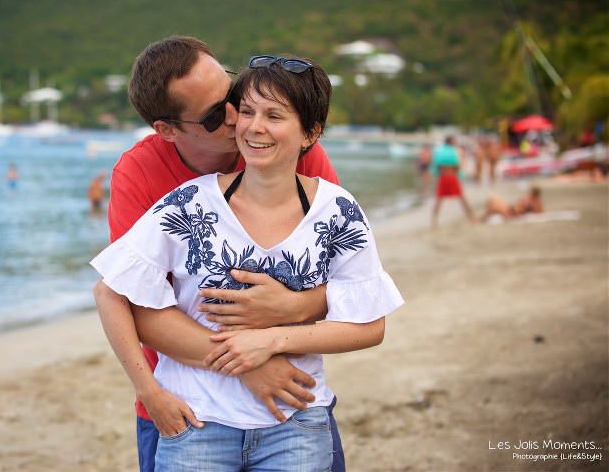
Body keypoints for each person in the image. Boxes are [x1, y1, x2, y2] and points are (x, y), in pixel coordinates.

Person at [91, 54, 403, 471]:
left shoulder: (310, 176)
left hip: (291, 409)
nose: (242, 119)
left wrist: (291, 313)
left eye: (234, 94)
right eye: (221, 113)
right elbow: (127, 298)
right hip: (190, 402)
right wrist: (242, 365)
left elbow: (348, 289)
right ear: (168, 130)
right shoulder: (155, 184)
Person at [430, 136, 477, 228]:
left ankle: (433, 221)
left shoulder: (439, 152)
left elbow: (435, 167)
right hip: (452, 177)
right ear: (451, 142)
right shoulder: (454, 152)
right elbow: (458, 166)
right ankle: (472, 218)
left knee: (439, 200)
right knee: (462, 199)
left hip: (443, 177)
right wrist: (460, 176)